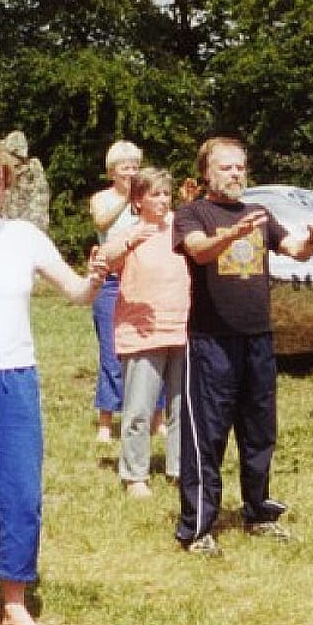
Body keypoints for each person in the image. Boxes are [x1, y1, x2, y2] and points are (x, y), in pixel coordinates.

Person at [0, 132, 107, 625]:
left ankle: (14, 604)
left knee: (21, 494)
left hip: (17, 378)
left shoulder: (24, 237)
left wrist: (95, 277)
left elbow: (77, 294)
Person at [173, 136, 313, 555]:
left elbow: (296, 251)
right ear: (206, 172)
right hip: (212, 340)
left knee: (259, 429)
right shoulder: (193, 213)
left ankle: (259, 511)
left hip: (258, 338)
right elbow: (197, 252)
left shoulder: (259, 213)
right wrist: (229, 235)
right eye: (226, 167)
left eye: (240, 167)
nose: (235, 174)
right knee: (207, 435)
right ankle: (198, 527)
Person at [101, 168, 189, 498]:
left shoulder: (181, 226)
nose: (163, 200)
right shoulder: (128, 232)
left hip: (181, 327)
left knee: (182, 406)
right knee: (139, 407)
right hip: (142, 330)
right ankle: (134, 474)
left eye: (167, 194)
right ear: (138, 200)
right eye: (155, 194)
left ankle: (179, 468)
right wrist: (128, 242)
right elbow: (104, 261)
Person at [89, 141, 142, 443]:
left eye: (135, 166)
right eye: (126, 167)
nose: (131, 172)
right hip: (109, 282)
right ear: (112, 171)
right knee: (111, 352)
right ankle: (106, 422)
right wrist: (125, 197)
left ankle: (157, 418)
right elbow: (101, 221)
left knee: (149, 349)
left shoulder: (144, 200)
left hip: (141, 281)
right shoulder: (102, 198)